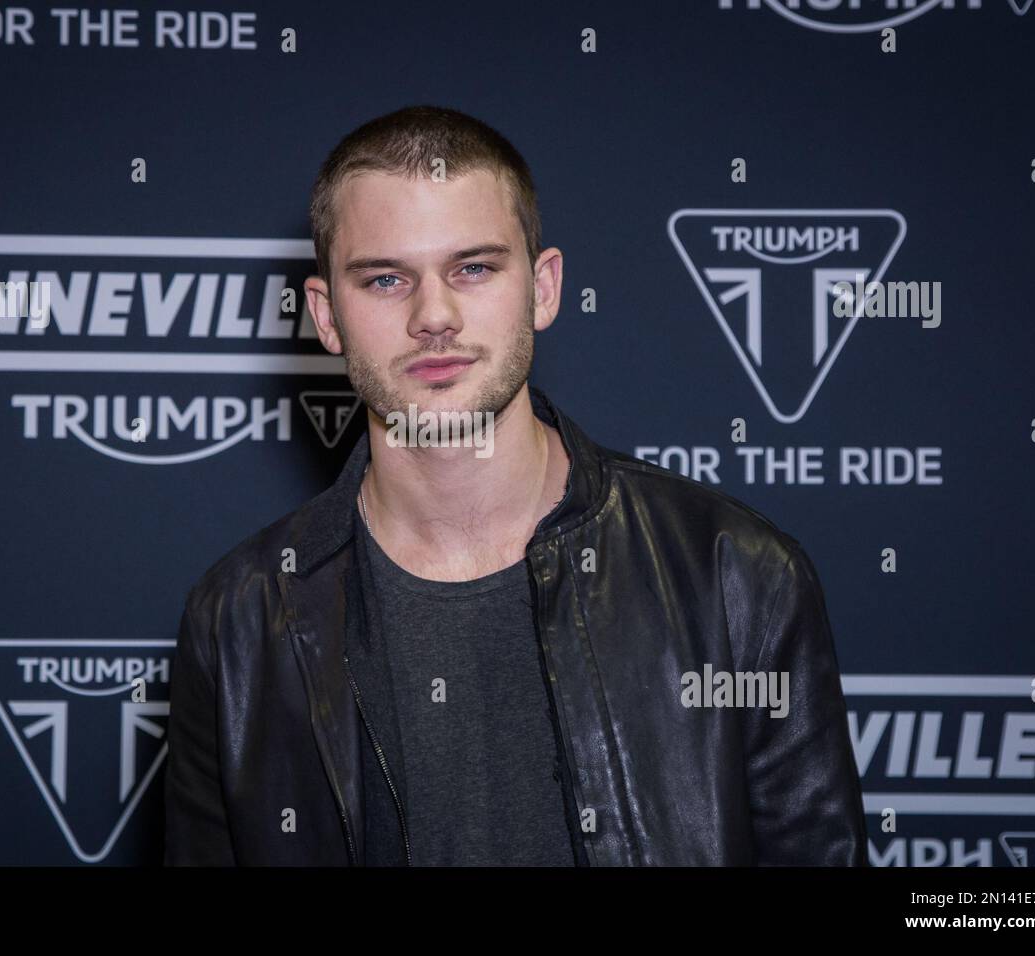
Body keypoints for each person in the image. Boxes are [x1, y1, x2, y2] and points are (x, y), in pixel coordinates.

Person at [164, 104, 868, 866]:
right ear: (328, 318)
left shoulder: (735, 575)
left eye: (473, 268)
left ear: (543, 288)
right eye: (386, 279)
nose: (434, 316)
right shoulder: (238, 621)